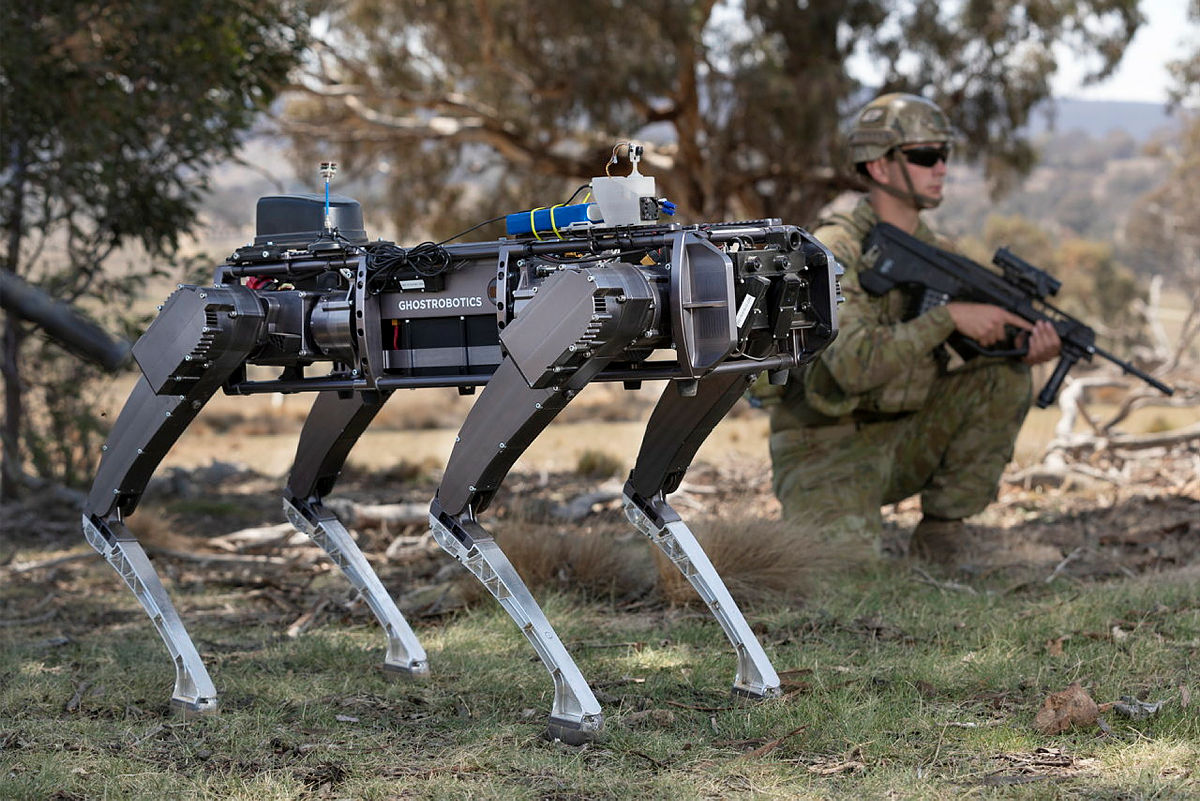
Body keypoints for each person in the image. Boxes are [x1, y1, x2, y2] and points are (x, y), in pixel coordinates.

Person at [767, 93, 1061, 565]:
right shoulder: (835, 248)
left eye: (945, 155)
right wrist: (948, 319)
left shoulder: (938, 250)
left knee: (1002, 378)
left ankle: (943, 535)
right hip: (823, 447)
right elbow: (852, 365)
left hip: (903, 435)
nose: (941, 167)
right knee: (841, 580)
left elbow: (954, 355)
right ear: (880, 167)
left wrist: (1015, 348)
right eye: (926, 156)